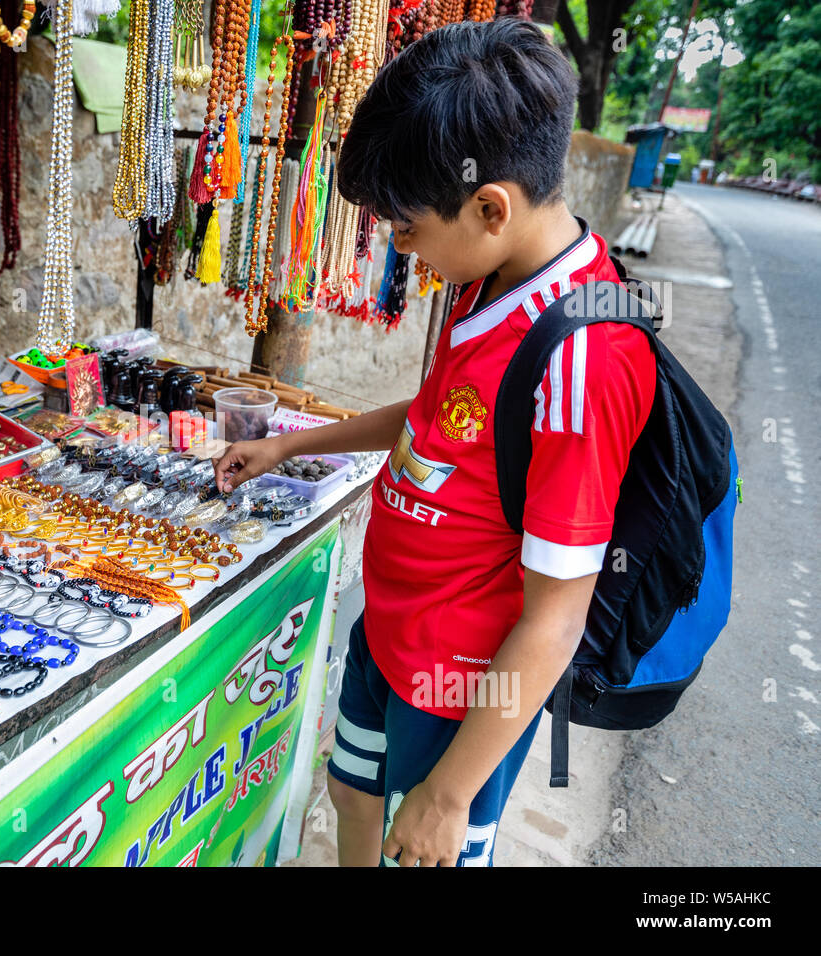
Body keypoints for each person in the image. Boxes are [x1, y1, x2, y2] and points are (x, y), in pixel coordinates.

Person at [214, 19, 657, 867]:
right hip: (392, 630)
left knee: (422, 845)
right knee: (352, 790)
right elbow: (441, 414)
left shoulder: (585, 362)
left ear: (491, 207)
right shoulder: (494, 273)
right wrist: (292, 446)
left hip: (463, 686)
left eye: (407, 229)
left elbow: (557, 620)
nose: (401, 249)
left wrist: (451, 793)